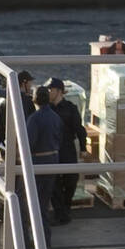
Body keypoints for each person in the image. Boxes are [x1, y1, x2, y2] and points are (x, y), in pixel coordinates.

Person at [26, 86, 63, 249]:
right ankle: (45, 238)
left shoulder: (34, 119)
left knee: (36, 204)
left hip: (39, 163)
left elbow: (28, 144)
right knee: (45, 202)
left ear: (34, 100)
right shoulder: (56, 117)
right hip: (53, 160)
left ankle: (40, 240)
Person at [46, 78, 87, 224]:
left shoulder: (70, 108)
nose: (49, 92)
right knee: (54, 182)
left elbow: (79, 129)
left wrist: (83, 147)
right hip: (52, 150)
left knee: (71, 180)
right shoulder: (46, 109)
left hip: (67, 148)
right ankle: (60, 213)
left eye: (51, 90)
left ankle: (65, 208)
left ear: (58, 91)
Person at [0, 70, 36, 153]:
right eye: (30, 83)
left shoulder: (4, 103)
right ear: (24, 83)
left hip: (8, 147)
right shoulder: (28, 102)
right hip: (24, 147)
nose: (31, 85)